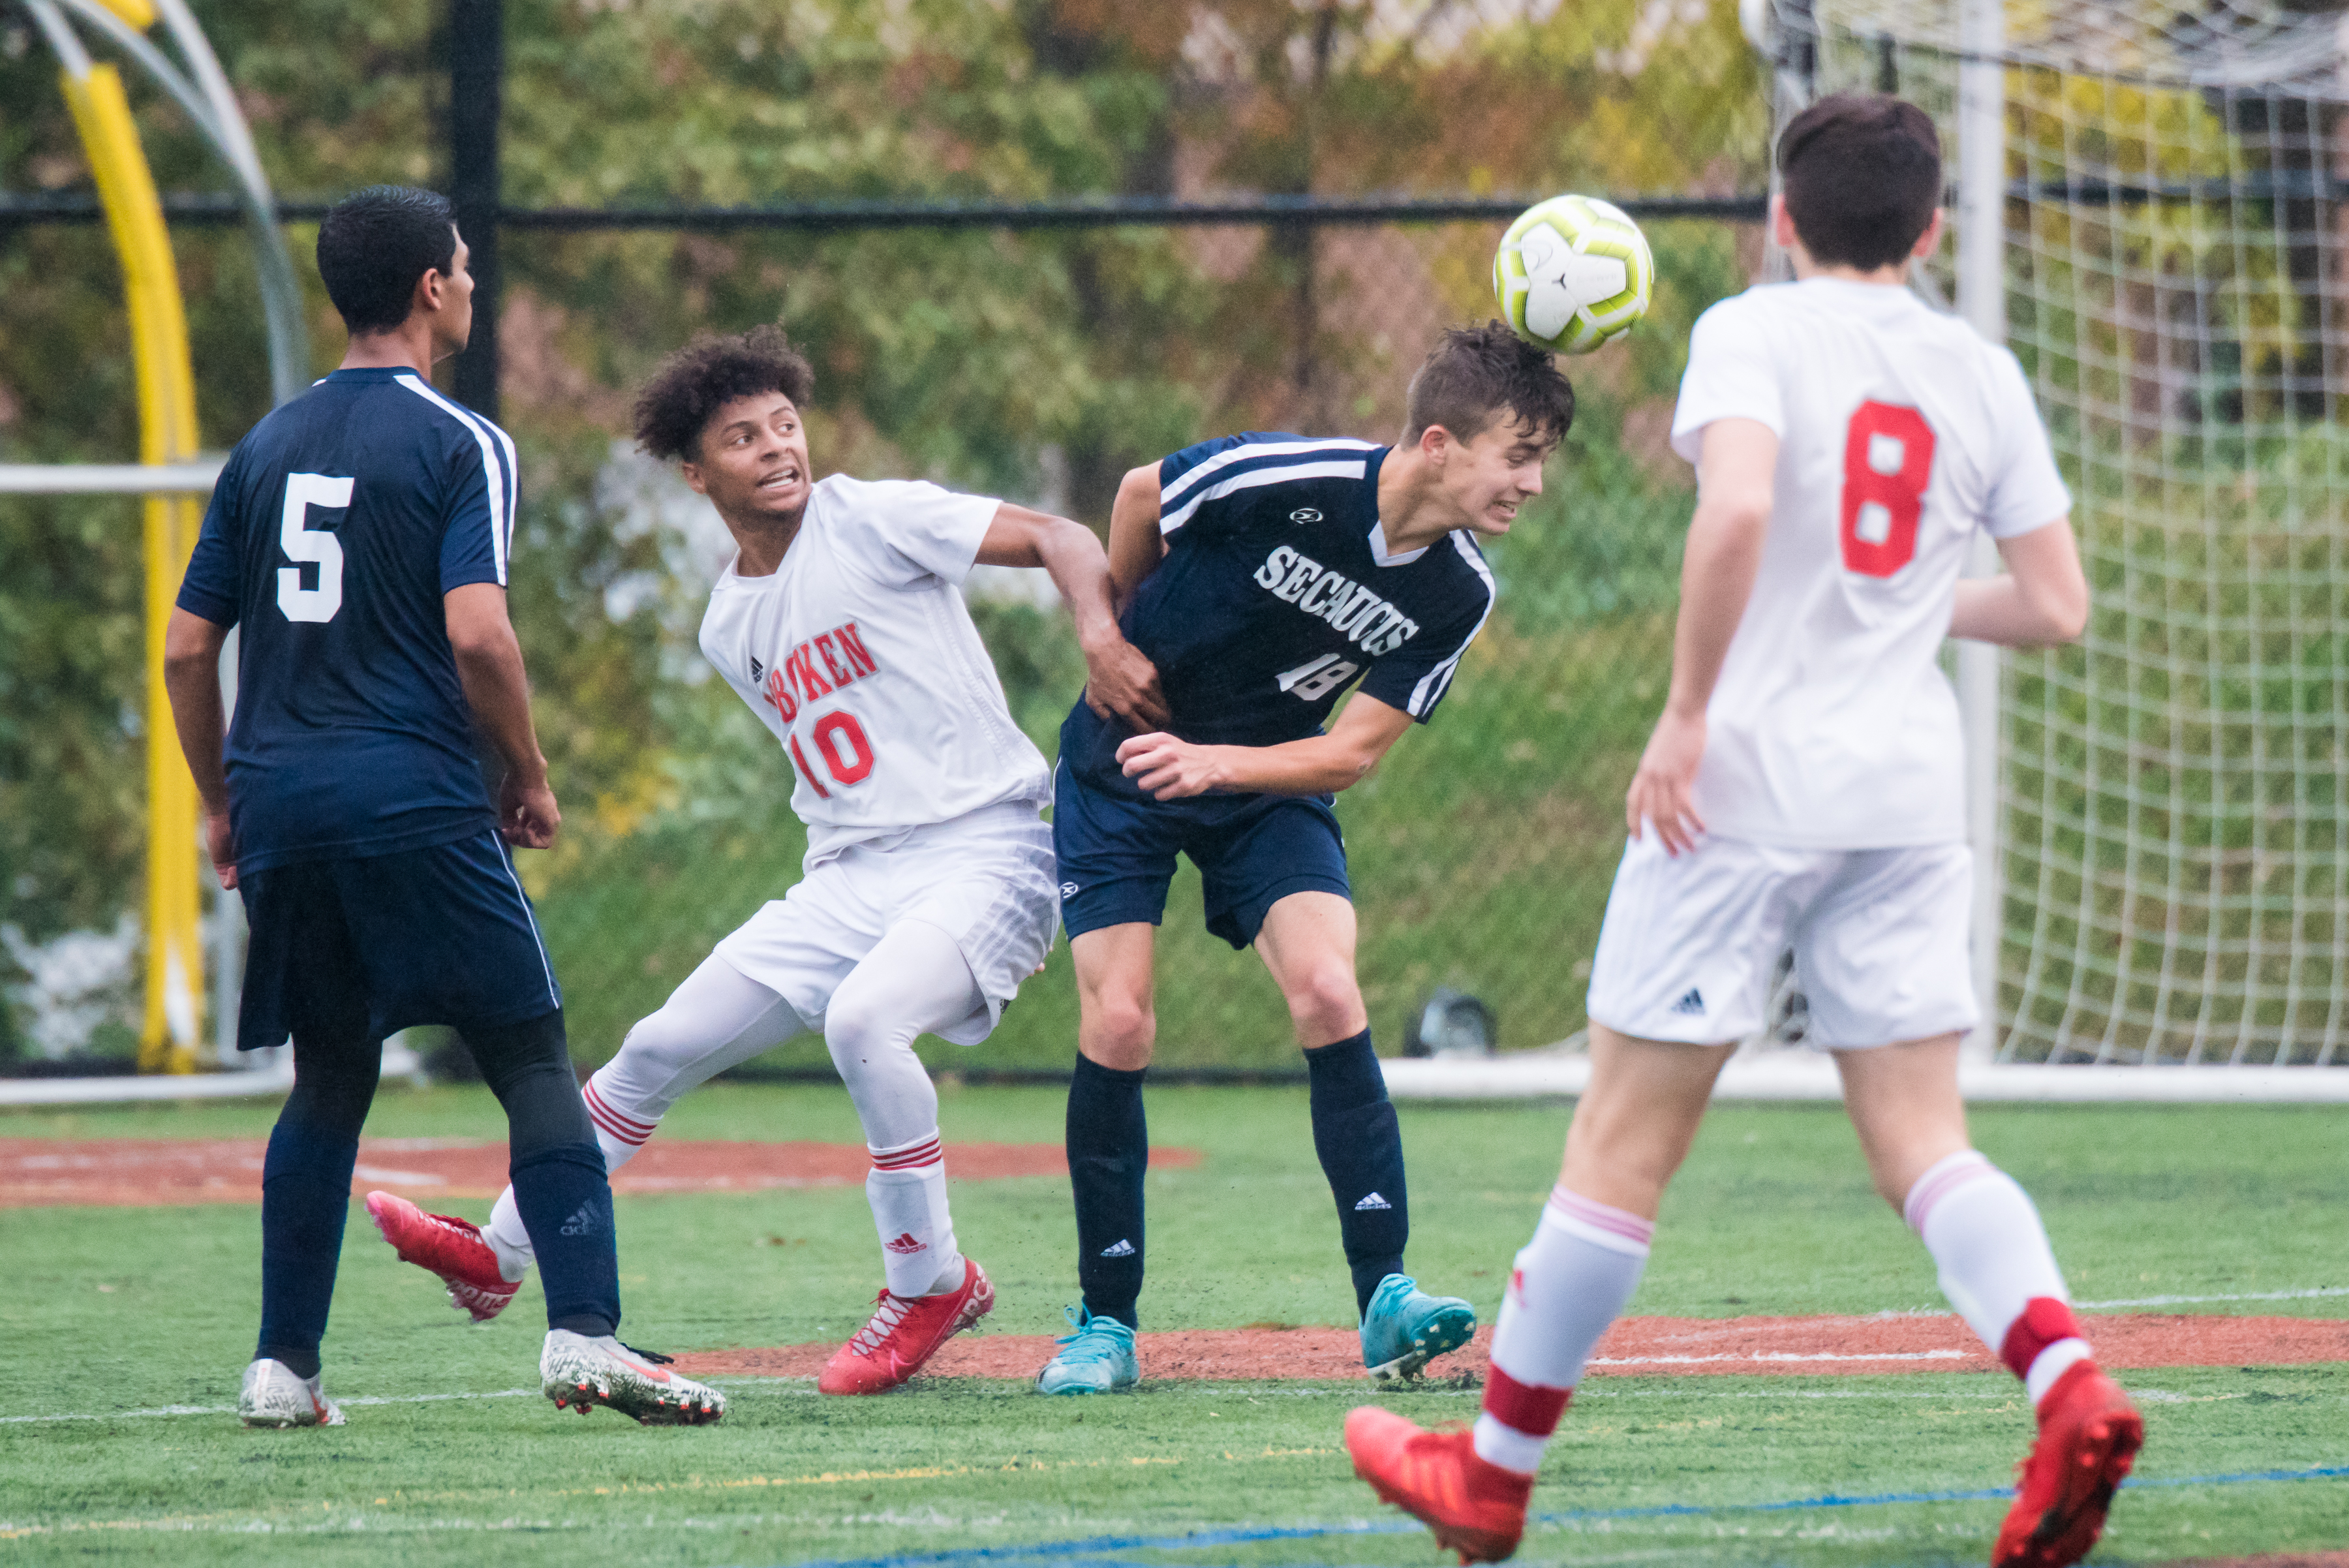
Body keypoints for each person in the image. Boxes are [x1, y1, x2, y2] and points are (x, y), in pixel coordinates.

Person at [1343, 95, 2135, 1568]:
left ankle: (1493, 1474)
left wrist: (1689, 710)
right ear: (1932, 226)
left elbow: (1740, 511)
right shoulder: (1979, 368)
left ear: (1782, 221)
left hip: (1749, 785)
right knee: (1921, 1137)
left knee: (1623, 1138)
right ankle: (2069, 1382)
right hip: (1907, 790)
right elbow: (2056, 605)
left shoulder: (1756, 333)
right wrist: (1889, 602)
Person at [368, 324, 1166, 1396]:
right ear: (698, 474)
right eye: (744, 438)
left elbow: (1069, 537)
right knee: (655, 1047)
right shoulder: (726, 622)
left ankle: (930, 1280)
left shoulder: (874, 516)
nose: (779, 447)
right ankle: (502, 1254)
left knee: (864, 1021)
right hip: (850, 874)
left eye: (786, 425)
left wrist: (1100, 638)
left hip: (987, 846)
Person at [164, 185, 723, 1428]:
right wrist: (523, 771)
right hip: (412, 796)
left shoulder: (262, 447)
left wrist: (220, 802)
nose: (471, 284)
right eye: (463, 267)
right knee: (529, 1053)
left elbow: (189, 653)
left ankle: (282, 1369)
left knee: (328, 1082)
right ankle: (586, 1334)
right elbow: (481, 633)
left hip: (284, 807)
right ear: (432, 287)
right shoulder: (461, 440)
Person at [1034, 325, 1574, 1395]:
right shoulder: (1282, 478)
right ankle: (1104, 1321)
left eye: (1542, 458)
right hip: (1122, 763)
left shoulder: (1457, 591)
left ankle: (1387, 1300)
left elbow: (1353, 751)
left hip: (1260, 780)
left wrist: (1219, 764)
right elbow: (1141, 496)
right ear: (1437, 444)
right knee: (1121, 1018)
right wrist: (1112, 637)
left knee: (1329, 988)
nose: (1535, 483)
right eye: (1518, 455)